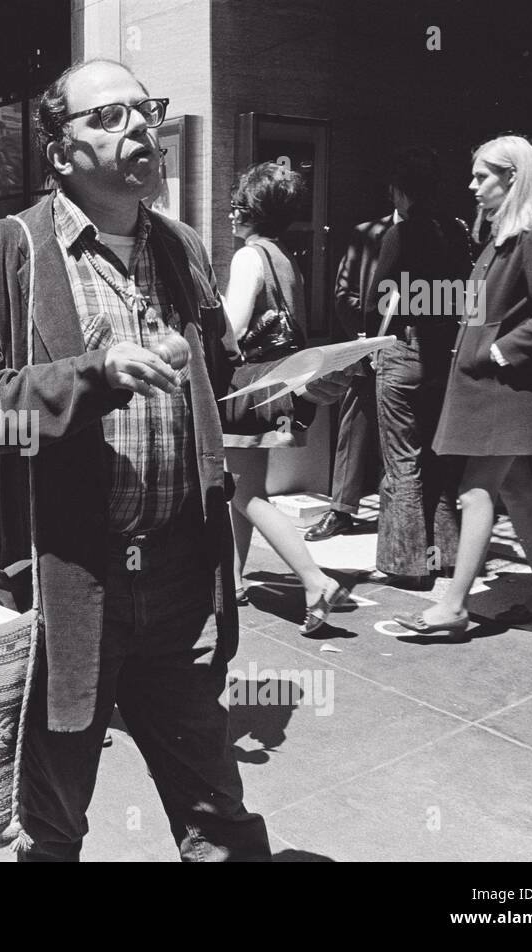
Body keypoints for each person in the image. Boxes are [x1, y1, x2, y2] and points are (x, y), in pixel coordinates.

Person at [0, 58, 270, 862]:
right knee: (54, 826)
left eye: (143, 111)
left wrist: (283, 388)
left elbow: (215, 386)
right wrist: (94, 376)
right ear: (58, 149)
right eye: (109, 116)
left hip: (183, 581)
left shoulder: (184, 248)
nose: (139, 129)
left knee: (217, 813)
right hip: (68, 588)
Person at [395, 135, 532, 634]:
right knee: (516, 493)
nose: (471, 186)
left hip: (501, 390)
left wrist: (498, 351)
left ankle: (454, 606)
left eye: (482, 176)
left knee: (474, 494)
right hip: (489, 387)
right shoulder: (507, 234)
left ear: (511, 177)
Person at [221, 161, 349, 633]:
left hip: (249, 390)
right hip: (283, 391)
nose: (231, 215)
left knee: (244, 494)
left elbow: (231, 333)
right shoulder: (284, 258)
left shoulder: (248, 257)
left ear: (254, 212)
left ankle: (316, 581)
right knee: (245, 489)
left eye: (238, 207)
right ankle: (231, 580)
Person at [367, 148, 468, 585]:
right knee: (437, 459)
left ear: (404, 192)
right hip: (443, 355)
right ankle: (443, 556)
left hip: (404, 350)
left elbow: (376, 295)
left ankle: (408, 566)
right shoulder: (457, 231)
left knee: (402, 461)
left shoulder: (402, 234)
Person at [304, 209, 393, 541]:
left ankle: (396, 510)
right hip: (370, 343)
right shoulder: (367, 233)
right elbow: (344, 296)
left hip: (412, 349)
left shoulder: (433, 232)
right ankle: (341, 509)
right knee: (354, 421)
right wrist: (365, 337)